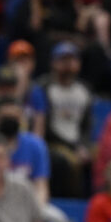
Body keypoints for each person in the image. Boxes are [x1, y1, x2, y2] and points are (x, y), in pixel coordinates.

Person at [31, 42, 93, 198]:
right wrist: (72, 147)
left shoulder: (84, 90)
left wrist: (83, 146)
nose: (68, 65)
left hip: (77, 142)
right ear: (54, 63)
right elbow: (42, 125)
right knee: (63, 161)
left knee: (95, 158)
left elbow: (86, 125)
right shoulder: (44, 87)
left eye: (72, 60)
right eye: (63, 60)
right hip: (53, 142)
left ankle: (84, 204)